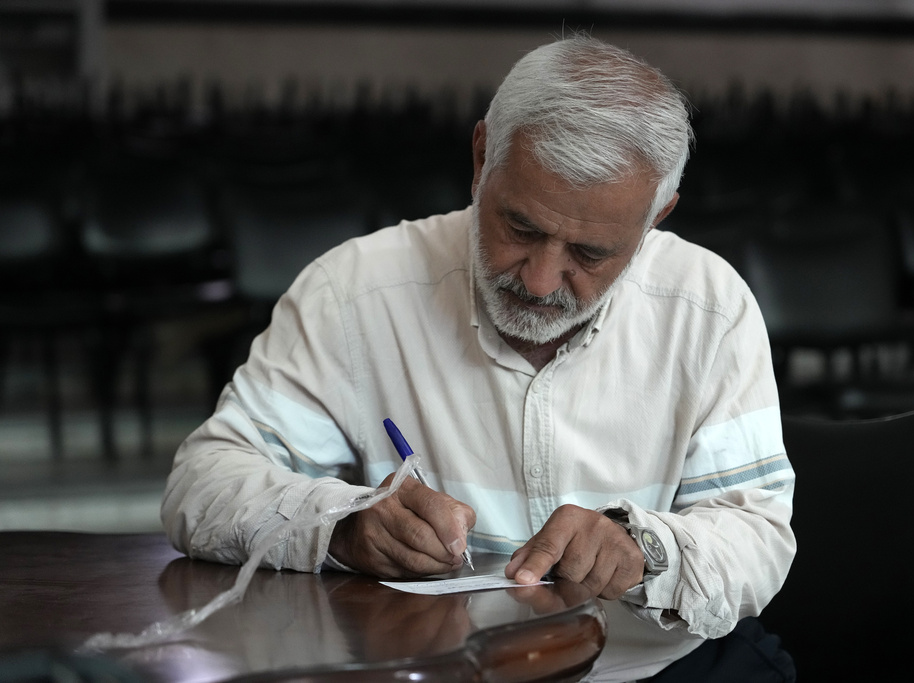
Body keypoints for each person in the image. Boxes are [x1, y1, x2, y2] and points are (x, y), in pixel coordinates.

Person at [162, 35, 797, 682]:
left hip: (656, 665)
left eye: (591, 254)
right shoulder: (356, 293)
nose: (544, 279)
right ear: (480, 158)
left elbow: (757, 537)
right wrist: (341, 524)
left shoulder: (706, 307)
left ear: (655, 216)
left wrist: (644, 550)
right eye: (521, 228)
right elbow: (203, 483)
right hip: (446, 668)